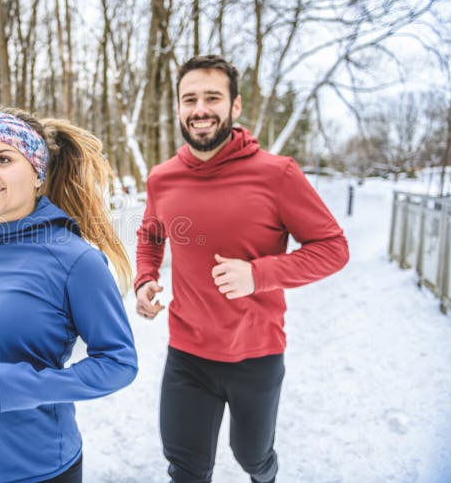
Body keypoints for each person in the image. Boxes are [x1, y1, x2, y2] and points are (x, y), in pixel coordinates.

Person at [135, 55, 349, 483]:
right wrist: (145, 278)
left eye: (212, 97)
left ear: (235, 106)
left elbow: (333, 248)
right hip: (187, 354)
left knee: (252, 456)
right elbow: (150, 234)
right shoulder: (163, 178)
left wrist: (260, 274)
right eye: (189, 98)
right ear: (178, 109)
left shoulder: (277, 174)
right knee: (186, 467)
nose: (199, 109)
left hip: (256, 354)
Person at [0, 108, 138, 483]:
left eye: (3, 159)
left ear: (38, 173)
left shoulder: (76, 261)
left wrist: (29, 386)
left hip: (38, 466)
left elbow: (119, 362)